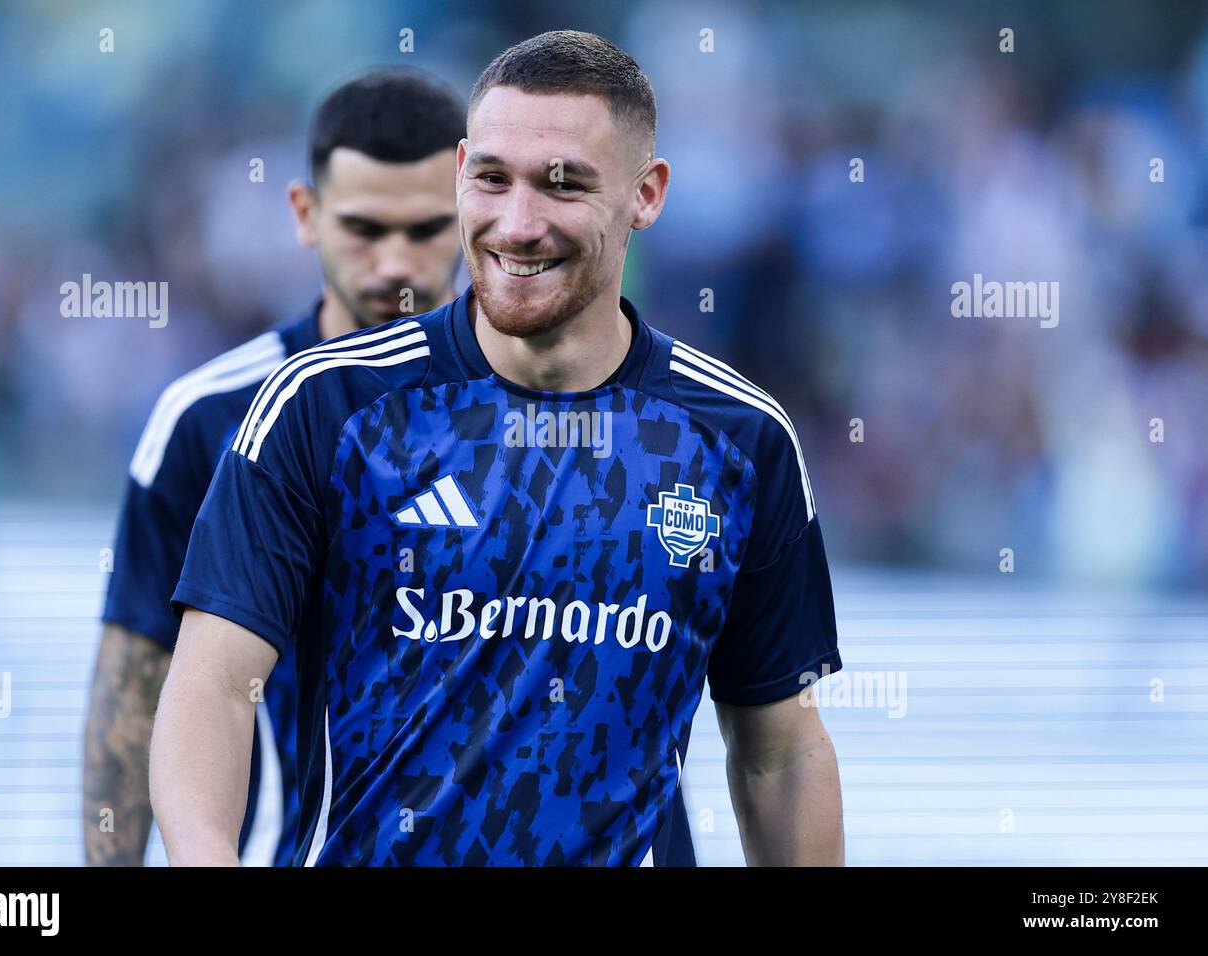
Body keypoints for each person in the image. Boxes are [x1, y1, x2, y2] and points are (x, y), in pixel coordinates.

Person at [152, 30, 842, 866]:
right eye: (491, 179)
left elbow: (781, 752)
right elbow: (213, 686)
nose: (518, 224)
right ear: (459, 175)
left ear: (647, 194)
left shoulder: (740, 440)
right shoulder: (327, 408)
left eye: (563, 186)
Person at [84, 66, 466, 865]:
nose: (396, 263)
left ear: (473, 218)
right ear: (305, 214)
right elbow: (134, 690)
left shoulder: (546, 409)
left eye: (428, 229)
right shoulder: (206, 420)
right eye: (364, 228)